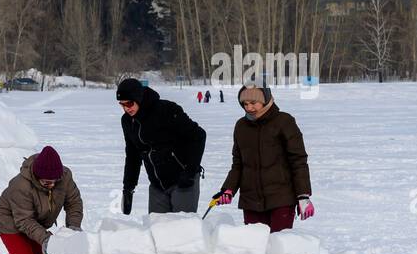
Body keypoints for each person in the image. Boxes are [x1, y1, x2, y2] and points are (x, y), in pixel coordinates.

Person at [215, 83, 313, 232]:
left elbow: (298, 160)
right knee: (255, 249)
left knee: (278, 248)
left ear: (265, 100)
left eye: (253, 103)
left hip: (281, 198)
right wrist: (228, 189)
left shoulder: (284, 122)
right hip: (251, 201)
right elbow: (238, 163)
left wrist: (303, 195)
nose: (249, 108)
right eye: (245, 104)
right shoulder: (241, 126)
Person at [116, 77, 206, 215]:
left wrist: (189, 171)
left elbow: (198, 136)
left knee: (183, 230)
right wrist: (128, 188)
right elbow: (133, 155)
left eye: (129, 103)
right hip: (157, 184)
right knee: (157, 230)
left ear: (138, 98)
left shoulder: (166, 110)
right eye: (122, 104)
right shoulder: (127, 121)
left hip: (182, 181)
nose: (126, 108)